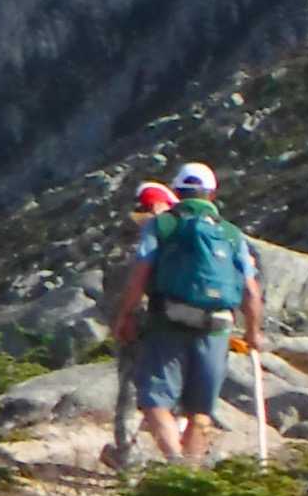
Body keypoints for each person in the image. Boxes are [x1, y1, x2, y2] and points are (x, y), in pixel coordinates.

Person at [111, 161, 263, 466]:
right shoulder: (231, 234)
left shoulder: (163, 225)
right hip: (217, 326)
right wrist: (253, 332)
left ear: (178, 192)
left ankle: (175, 462)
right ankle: (190, 476)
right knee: (201, 411)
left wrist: (125, 314)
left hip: (168, 320)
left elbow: (141, 273)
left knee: (155, 401)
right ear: (211, 194)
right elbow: (251, 291)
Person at [107, 180, 176, 470]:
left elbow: (114, 288)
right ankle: (179, 458)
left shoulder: (124, 243)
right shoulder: (173, 237)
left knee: (130, 391)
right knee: (171, 389)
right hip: (170, 323)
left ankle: (127, 455)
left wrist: (122, 319)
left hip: (133, 324)